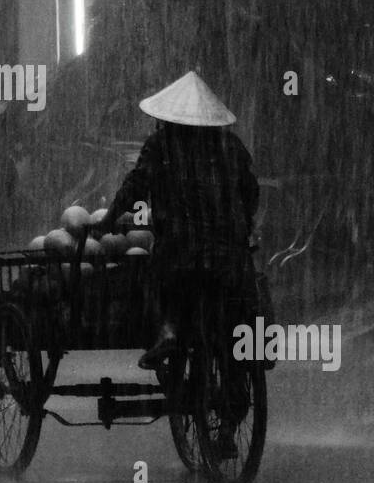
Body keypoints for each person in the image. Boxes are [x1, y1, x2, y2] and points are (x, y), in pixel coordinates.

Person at [96, 70, 260, 372]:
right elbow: (251, 192)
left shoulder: (161, 145)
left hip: (181, 252)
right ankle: (239, 365)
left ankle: (168, 330)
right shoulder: (231, 146)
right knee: (237, 297)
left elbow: (135, 186)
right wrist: (243, 228)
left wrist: (107, 223)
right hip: (230, 255)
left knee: (154, 277)